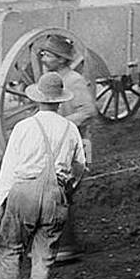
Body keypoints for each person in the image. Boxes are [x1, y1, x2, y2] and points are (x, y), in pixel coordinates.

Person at [0, 71, 87, 279]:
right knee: (43, 260)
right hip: (56, 197)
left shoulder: (23, 127)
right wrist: (66, 191)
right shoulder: (71, 129)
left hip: (22, 194)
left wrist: (1, 204)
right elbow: (80, 167)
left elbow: (8, 168)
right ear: (59, 101)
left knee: (10, 248)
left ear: (38, 100)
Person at [37, 34, 96, 264]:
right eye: (43, 53)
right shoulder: (50, 79)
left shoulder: (74, 81)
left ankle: (65, 247)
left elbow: (89, 111)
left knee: (62, 194)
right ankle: (62, 245)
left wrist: (61, 124)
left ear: (61, 59)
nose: (44, 57)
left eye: (49, 54)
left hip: (78, 145)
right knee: (57, 193)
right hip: (58, 145)